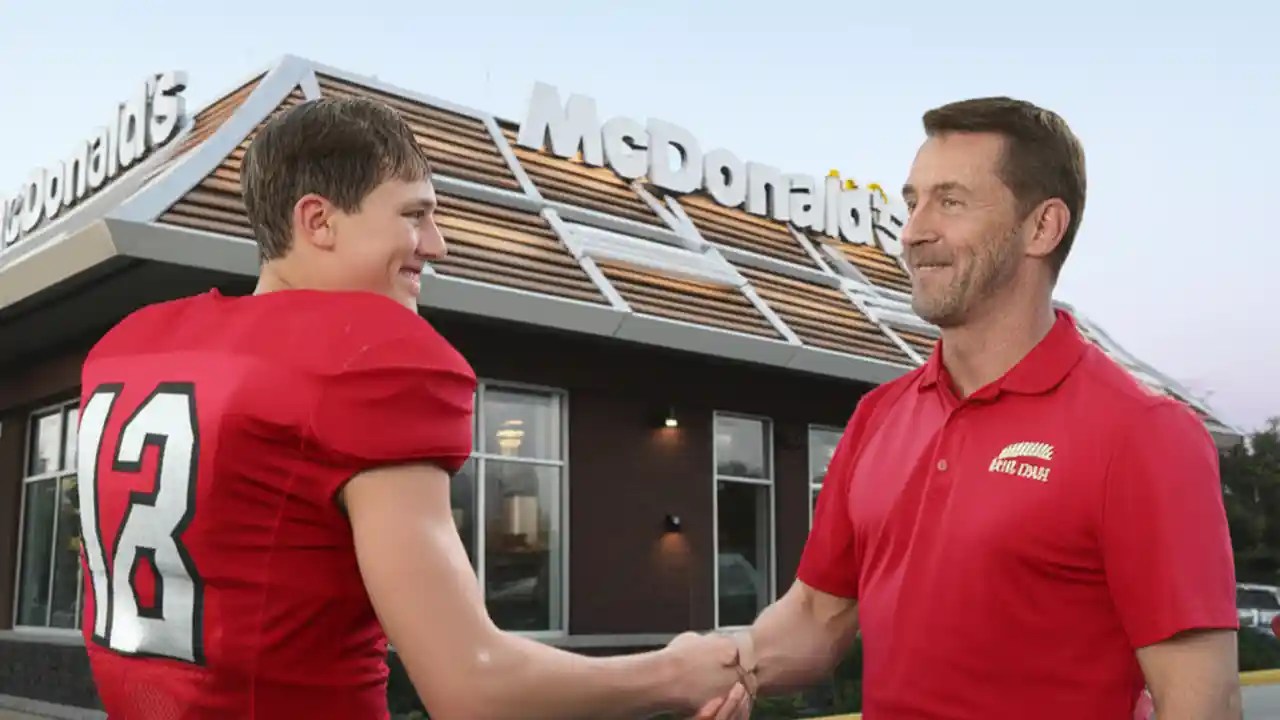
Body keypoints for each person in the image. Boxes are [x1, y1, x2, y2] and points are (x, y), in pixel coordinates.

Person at [75, 95, 751, 719]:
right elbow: (471, 684)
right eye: (414, 214)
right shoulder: (361, 355)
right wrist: (673, 673)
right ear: (318, 220)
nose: (437, 244)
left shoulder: (131, 348)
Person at [696, 98, 1242, 719]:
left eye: (950, 202)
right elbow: (816, 618)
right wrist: (717, 671)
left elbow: (1204, 700)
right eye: (912, 202)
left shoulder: (1142, 433)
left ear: (1042, 228)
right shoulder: (878, 418)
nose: (913, 231)